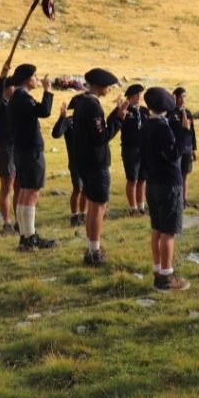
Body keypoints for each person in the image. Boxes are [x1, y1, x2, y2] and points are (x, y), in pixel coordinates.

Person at [72, 68, 129, 266]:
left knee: (93, 205)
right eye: (108, 86)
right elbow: (101, 137)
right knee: (98, 206)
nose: (109, 90)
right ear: (100, 86)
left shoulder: (82, 102)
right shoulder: (93, 107)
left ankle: (91, 247)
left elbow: (98, 129)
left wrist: (115, 113)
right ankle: (94, 252)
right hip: (96, 163)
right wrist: (120, 119)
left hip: (85, 162)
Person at [141, 87, 191, 292]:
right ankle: (167, 276)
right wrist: (184, 132)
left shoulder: (146, 125)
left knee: (157, 228)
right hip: (169, 183)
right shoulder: (164, 128)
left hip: (152, 182)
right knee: (168, 231)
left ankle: (157, 269)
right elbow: (174, 154)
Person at [7, 64, 57, 251]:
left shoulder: (15, 97)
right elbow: (44, 111)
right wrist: (47, 91)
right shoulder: (22, 97)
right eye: (35, 76)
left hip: (21, 150)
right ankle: (28, 237)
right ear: (27, 79)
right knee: (31, 192)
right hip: (30, 150)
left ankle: (27, 235)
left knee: (25, 193)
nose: (37, 79)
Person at [0, 65, 18, 234]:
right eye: (13, 86)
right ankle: (6, 223)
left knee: (19, 186)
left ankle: (19, 221)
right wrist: (2, 77)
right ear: (7, 89)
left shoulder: (16, 105)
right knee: (7, 186)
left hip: (18, 147)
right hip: (6, 148)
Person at [51, 95, 86, 227]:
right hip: (75, 160)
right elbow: (56, 134)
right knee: (78, 187)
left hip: (87, 159)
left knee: (86, 189)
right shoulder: (68, 121)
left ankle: (83, 214)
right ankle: (74, 216)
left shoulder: (87, 120)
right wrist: (61, 117)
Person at [120, 84, 149, 217]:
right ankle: (133, 208)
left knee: (143, 178)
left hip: (144, 148)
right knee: (132, 179)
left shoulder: (144, 111)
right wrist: (121, 110)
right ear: (131, 96)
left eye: (140, 94)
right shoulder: (126, 110)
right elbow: (117, 120)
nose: (139, 97)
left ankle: (141, 206)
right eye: (137, 94)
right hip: (130, 149)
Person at [169, 87, 198, 209]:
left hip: (187, 147)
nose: (183, 99)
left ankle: (184, 200)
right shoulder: (171, 113)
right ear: (175, 97)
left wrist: (194, 148)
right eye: (181, 96)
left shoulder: (188, 112)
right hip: (176, 147)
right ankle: (176, 199)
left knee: (185, 174)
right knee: (177, 174)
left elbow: (192, 132)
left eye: (185, 96)